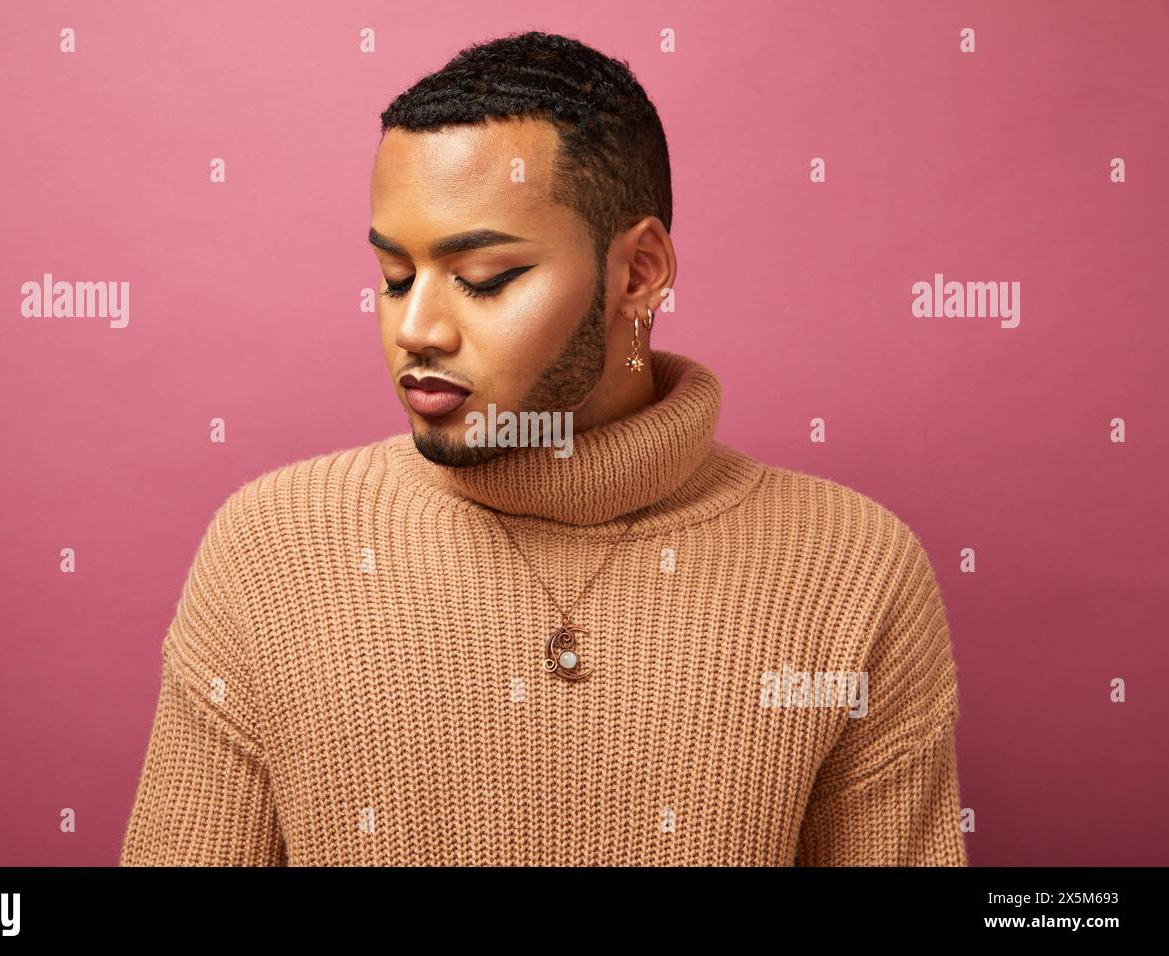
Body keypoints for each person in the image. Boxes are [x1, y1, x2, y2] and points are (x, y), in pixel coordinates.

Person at [120, 30, 967, 866]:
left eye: (484, 279)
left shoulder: (855, 572)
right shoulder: (270, 550)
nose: (416, 329)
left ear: (638, 271)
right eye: (394, 277)